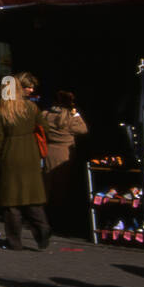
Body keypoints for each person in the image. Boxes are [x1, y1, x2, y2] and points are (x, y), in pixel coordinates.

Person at [0, 75, 51, 251]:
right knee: (32, 197)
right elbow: (44, 128)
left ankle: (14, 241)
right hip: (30, 152)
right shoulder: (31, 107)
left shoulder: (1, 109)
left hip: (10, 153)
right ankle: (42, 228)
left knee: (11, 201)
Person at [39, 89, 88, 218]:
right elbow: (83, 130)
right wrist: (76, 115)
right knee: (61, 183)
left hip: (48, 151)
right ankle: (57, 212)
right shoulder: (70, 118)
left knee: (46, 182)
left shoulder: (45, 114)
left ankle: (43, 211)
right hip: (65, 152)